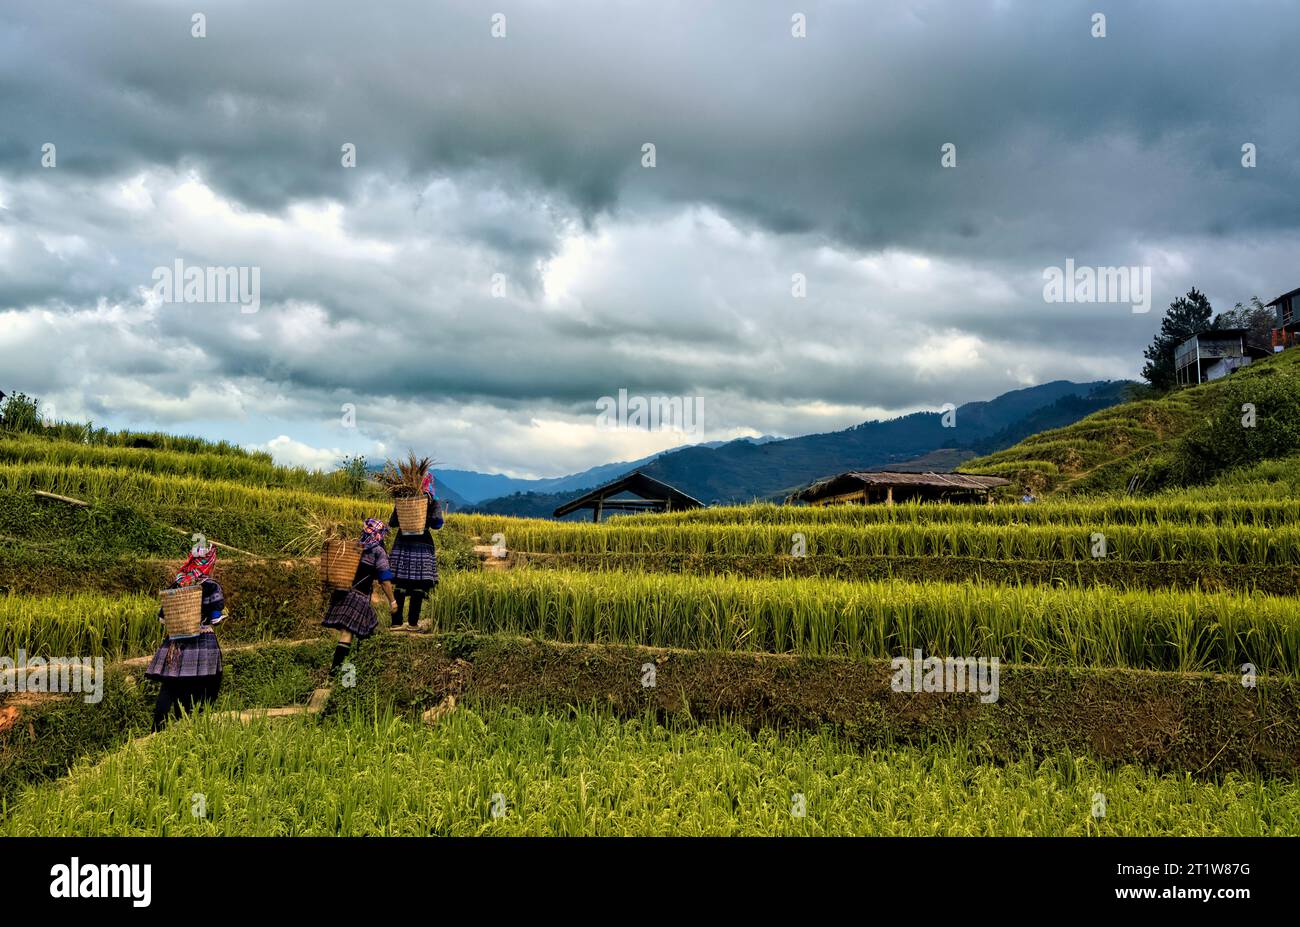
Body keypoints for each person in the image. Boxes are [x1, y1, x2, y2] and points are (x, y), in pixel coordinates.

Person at [144, 545, 226, 731]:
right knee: (199, 685)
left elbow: (162, 619)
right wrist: (216, 617)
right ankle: (189, 726)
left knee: (170, 685)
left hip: (176, 643)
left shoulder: (177, 583)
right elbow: (215, 618)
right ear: (209, 562)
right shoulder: (210, 585)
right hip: (202, 643)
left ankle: (157, 729)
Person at [323, 517, 398, 673]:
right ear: (380, 534)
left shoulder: (353, 545)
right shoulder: (378, 551)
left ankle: (357, 669)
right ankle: (336, 675)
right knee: (348, 633)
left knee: (367, 626)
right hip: (359, 596)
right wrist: (392, 601)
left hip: (342, 593)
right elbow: (384, 580)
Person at [387, 473, 444, 629]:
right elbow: (437, 524)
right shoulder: (432, 501)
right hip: (423, 545)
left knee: (400, 584)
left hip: (403, 544)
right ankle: (413, 623)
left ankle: (396, 623)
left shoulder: (404, 498)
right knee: (419, 585)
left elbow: (392, 522)